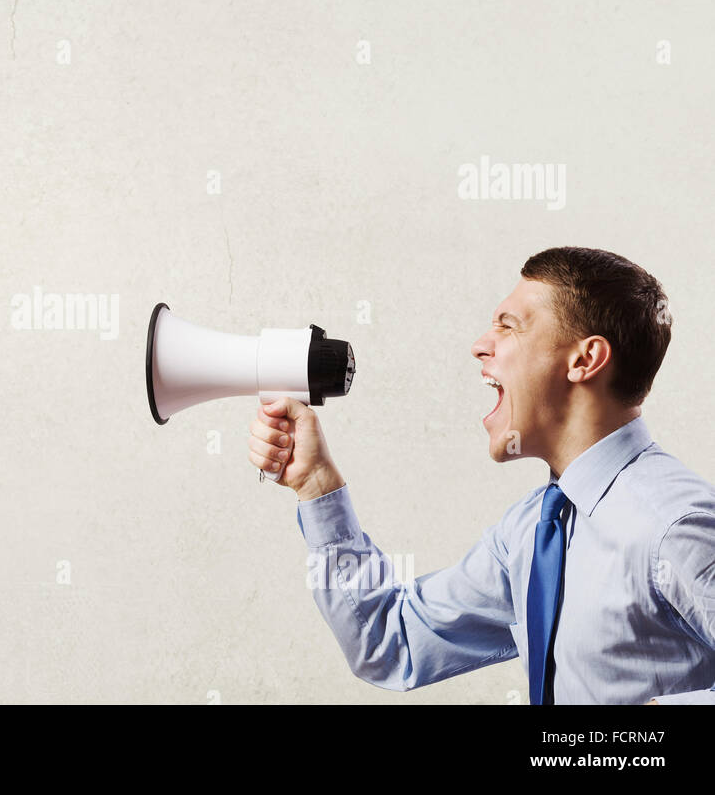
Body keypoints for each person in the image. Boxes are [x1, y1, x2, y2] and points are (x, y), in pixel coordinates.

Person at [248, 246, 715, 704]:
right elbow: (392, 642)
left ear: (584, 360)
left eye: (507, 326)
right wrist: (316, 486)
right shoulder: (532, 531)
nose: (480, 345)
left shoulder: (674, 526)